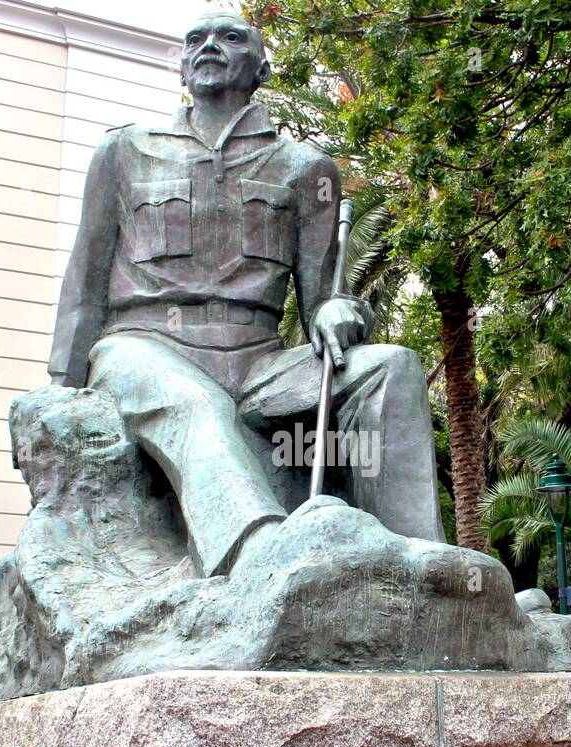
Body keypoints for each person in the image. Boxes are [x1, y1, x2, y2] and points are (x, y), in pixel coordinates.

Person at [48, 11, 444, 577]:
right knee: (195, 405)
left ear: (261, 67)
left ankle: (418, 564)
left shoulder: (305, 169)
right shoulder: (124, 151)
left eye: (231, 38)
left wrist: (339, 310)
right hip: (142, 346)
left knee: (392, 365)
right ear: (183, 65)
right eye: (195, 40)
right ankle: (257, 554)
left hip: (256, 359)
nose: (209, 46)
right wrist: (62, 386)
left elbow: (324, 301)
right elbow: (84, 275)